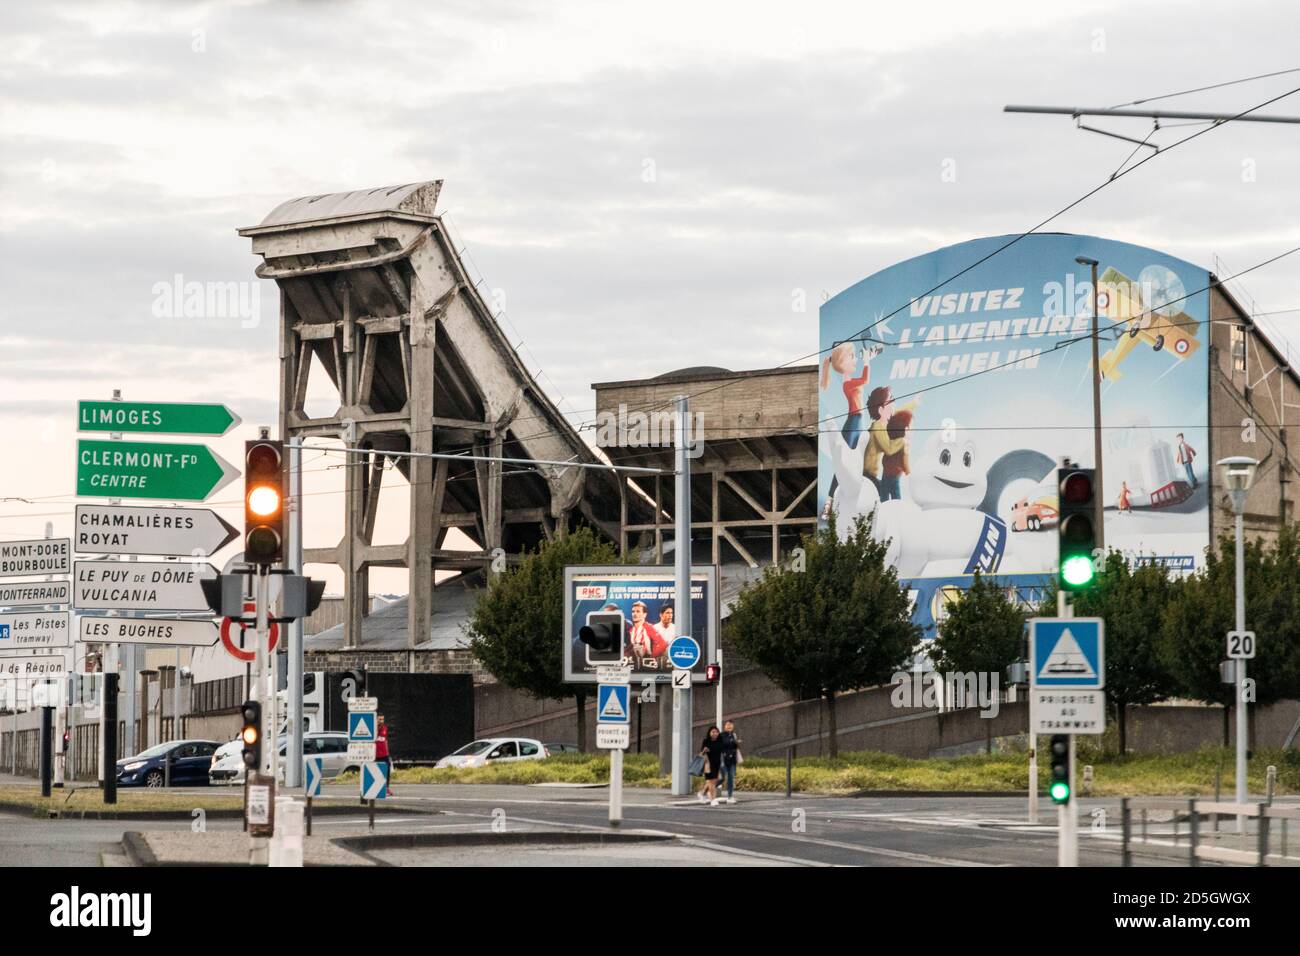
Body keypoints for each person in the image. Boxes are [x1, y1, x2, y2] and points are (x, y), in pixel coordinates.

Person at [863, 386, 919, 495]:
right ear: (881, 409)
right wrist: (903, 440)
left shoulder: (884, 423)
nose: (894, 403)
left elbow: (899, 411)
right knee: (882, 497)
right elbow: (888, 449)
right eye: (891, 400)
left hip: (875, 475)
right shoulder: (877, 427)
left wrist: (914, 403)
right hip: (868, 475)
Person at [879, 408, 913, 502]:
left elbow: (886, 457)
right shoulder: (903, 442)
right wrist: (909, 473)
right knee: (896, 498)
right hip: (895, 474)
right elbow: (905, 461)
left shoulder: (892, 441)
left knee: (884, 497)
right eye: (910, 427)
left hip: (886, 473)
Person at [626, 601, 667, 668]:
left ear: (644, 614)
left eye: (638, 611)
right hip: (637, 664)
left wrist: (651, 657)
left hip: (648, 664)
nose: (634, 614)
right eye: (633, 611)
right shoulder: (631, 630)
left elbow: (662, 644)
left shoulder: (648, 627)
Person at [697, 725, 724, 806]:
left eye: (716, 732)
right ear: (709, 733)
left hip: (717, 764)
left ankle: (702, 793)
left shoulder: (720, 741)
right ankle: (713, 799)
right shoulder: (706, 741)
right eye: (713, 732)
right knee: (711, 782)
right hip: (708, 764)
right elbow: (701, 754)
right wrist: (704, 750)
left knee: (713, 781)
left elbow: (723, 750)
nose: (715, 733)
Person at [719, 720, 741, 804]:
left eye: (731, 725)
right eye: (727, 725)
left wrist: (737, 743)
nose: (729, 726)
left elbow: (735, 747)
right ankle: (710, 789)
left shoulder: (734, 735)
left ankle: (730, 796)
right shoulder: (721, 735)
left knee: (731, 778)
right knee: (722, 778)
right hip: (723, 760)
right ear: (724, 726)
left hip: (732, 760)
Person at [375, 714, 394, 795]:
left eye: (382, 719)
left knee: (387, 771)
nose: (381, 721)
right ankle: (374, 788)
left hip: (384, 754)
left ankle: (386, 788)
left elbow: (385, 741)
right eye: (379, 719)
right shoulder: (372, 729)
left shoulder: (385, 728)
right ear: (376, 719)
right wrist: (376, 727)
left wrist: (388, 752)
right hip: (374, 755)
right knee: (375, 771)